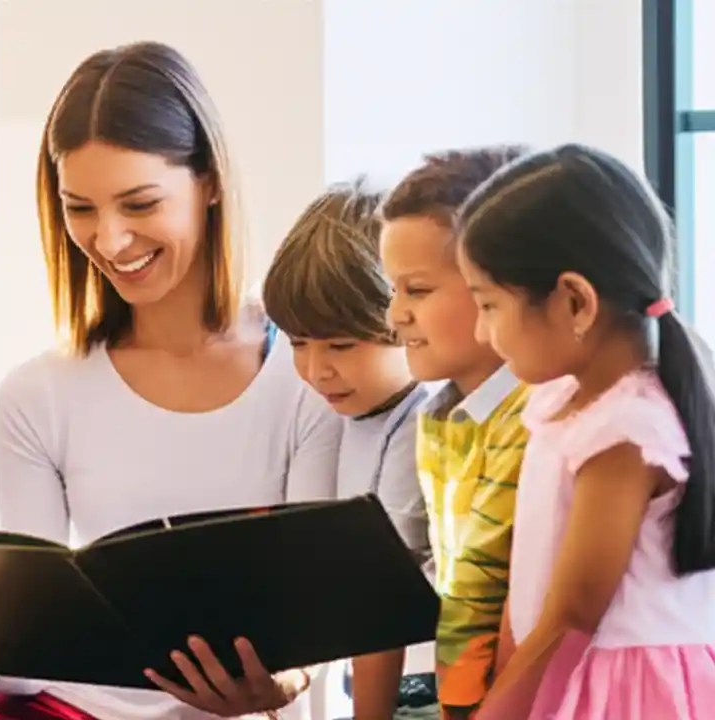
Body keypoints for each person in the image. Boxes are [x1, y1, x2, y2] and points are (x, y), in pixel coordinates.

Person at [0, 41, 343, 720]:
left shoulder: (309, 374)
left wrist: (289, 678)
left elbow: (319, 618)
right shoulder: (37, 396)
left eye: (139, 204)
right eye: (80, 208)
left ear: (208, 182)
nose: (110, 241)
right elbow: (28, 653)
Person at [456, 144, 715, 719]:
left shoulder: (626, 433)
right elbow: (536, 593)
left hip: (626, 694)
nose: (480, 332)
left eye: (490, 305)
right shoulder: (563, 399)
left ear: (574, 301)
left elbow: (572, 615)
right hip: (566, 672)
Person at [261, 179, 437, 720]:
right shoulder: (344, 414)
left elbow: (376, 599)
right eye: (297, 343)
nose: (317, 370)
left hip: (427, 693)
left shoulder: (426, 424)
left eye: (340, 345)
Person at [377, 146, 530, 719]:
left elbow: (498, 603)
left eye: (417, 290)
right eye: (393, 289)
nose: (395, 314)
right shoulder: (442, 415)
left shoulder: (539, 417)